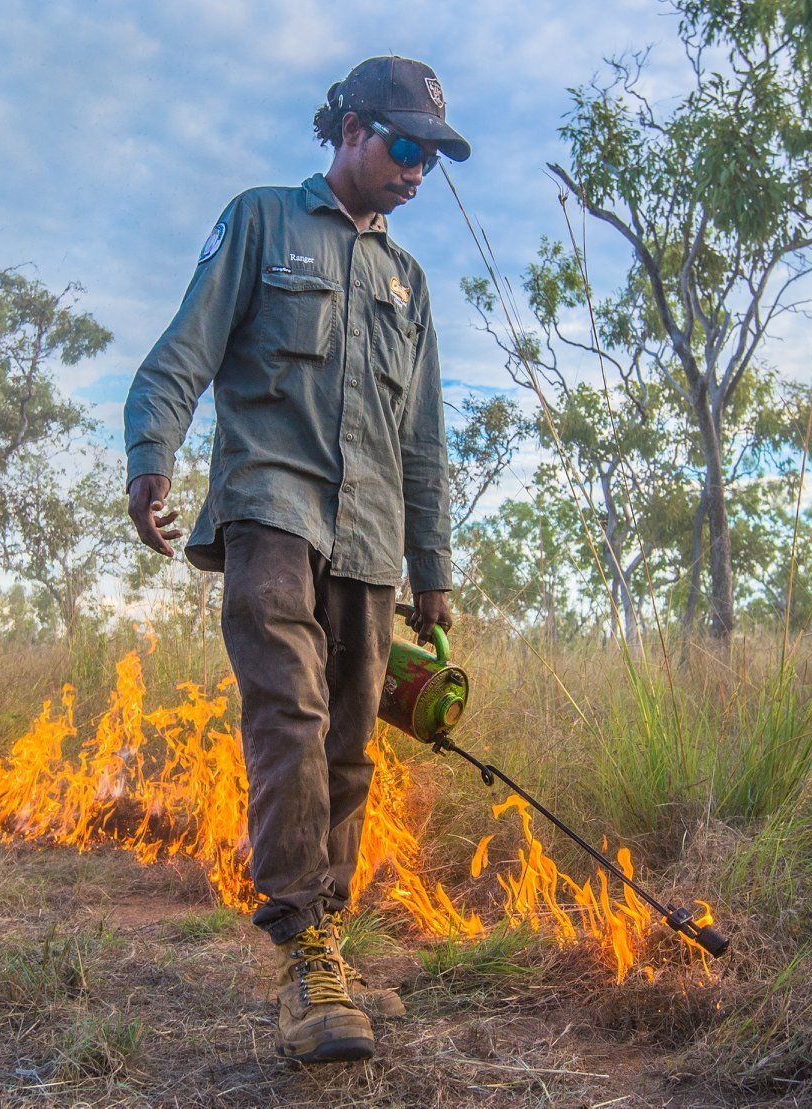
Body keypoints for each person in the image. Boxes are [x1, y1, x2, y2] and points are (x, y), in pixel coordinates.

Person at [122, 56, 468, 1064]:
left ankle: (329, 947)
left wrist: (430, 567)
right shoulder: (263, 220)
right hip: (270, 509)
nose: (417, 171)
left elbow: (423, 439)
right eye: (405, 147)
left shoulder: (409, 281)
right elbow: (182, 349)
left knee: (353, 740)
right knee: (293, 708)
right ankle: (303, 942)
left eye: (433, 158)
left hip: (366, 542)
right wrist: (152, 454)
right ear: (351, 130)